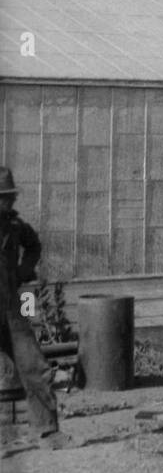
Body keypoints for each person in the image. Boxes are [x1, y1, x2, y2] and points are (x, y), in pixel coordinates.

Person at [0, 166, 64, 448]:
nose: (10, 201)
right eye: (4, 196)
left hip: (11, 310)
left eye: (11, 196)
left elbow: (34, 246)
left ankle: (48, 431)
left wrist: (23, 271)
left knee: (34, 366)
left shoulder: (15, 227)